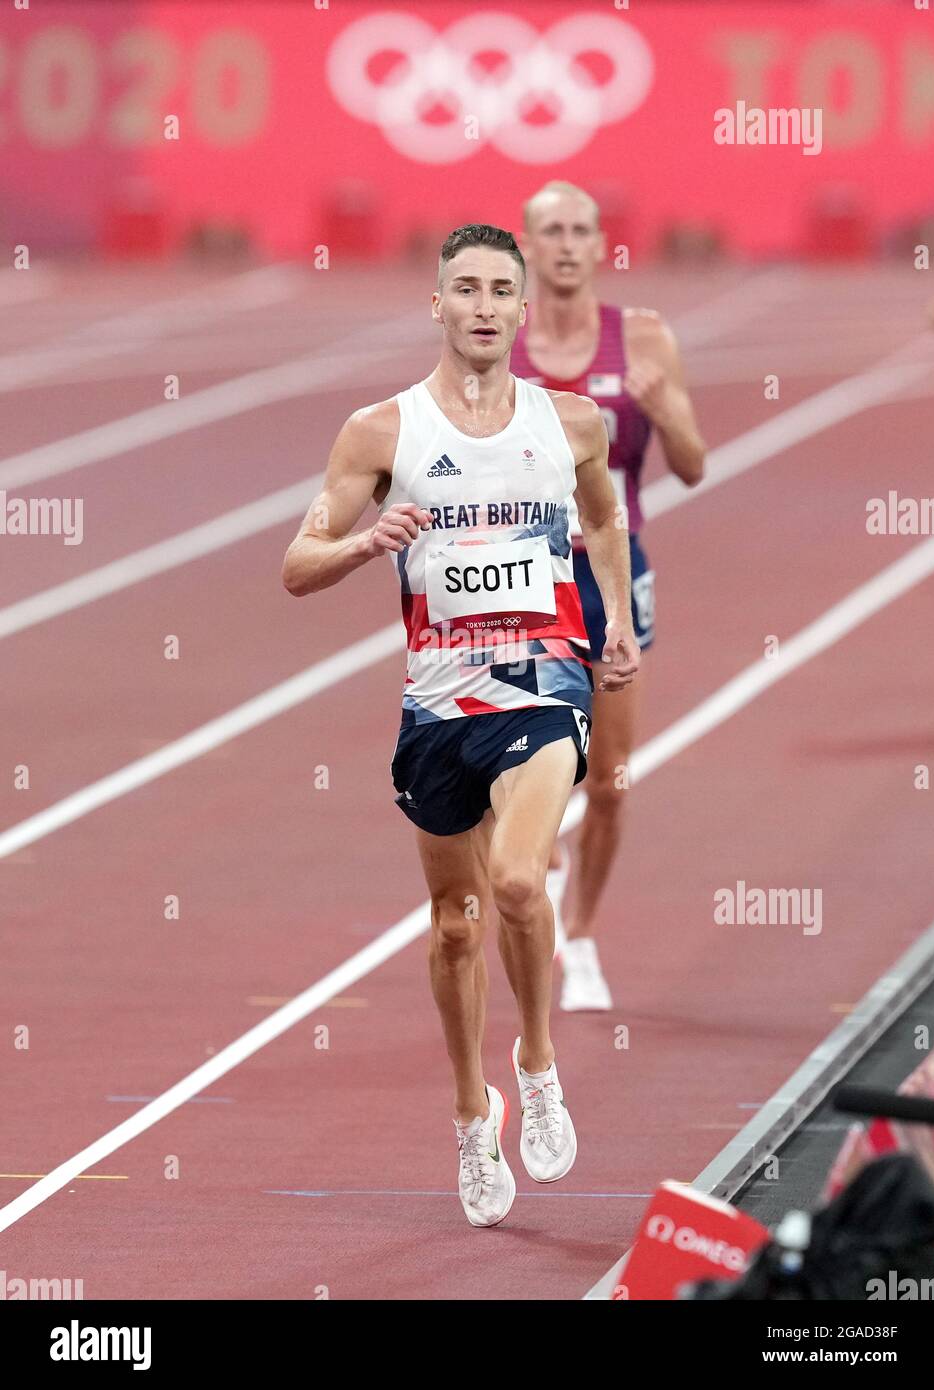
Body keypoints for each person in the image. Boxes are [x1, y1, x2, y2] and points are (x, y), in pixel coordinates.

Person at [282, 224, 639, 1228]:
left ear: (522, 310)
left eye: (498, 290)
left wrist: (613, 615)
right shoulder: (379, 434)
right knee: (454, 926)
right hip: (437, 708)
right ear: (434, 305)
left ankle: (535, 1065)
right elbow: (295, 565)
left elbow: (604, 516)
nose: (482, 304)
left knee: (520, 881)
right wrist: (362, 543)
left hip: (542, 689)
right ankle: (467, 1114)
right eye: (463, 288)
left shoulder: (569, 424)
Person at [511, 181, 706, 1011]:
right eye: (549, 230)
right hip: (520, 575)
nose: (563, 243)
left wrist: (665, 414)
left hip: (613, 574)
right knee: (517, 766)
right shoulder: (499, 339)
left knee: (612, 779)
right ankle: (540, 878)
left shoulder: (645, 339)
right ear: (525, 245)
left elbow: (693, 465)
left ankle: (581, 934)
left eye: (579, 230)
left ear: (600, 245)